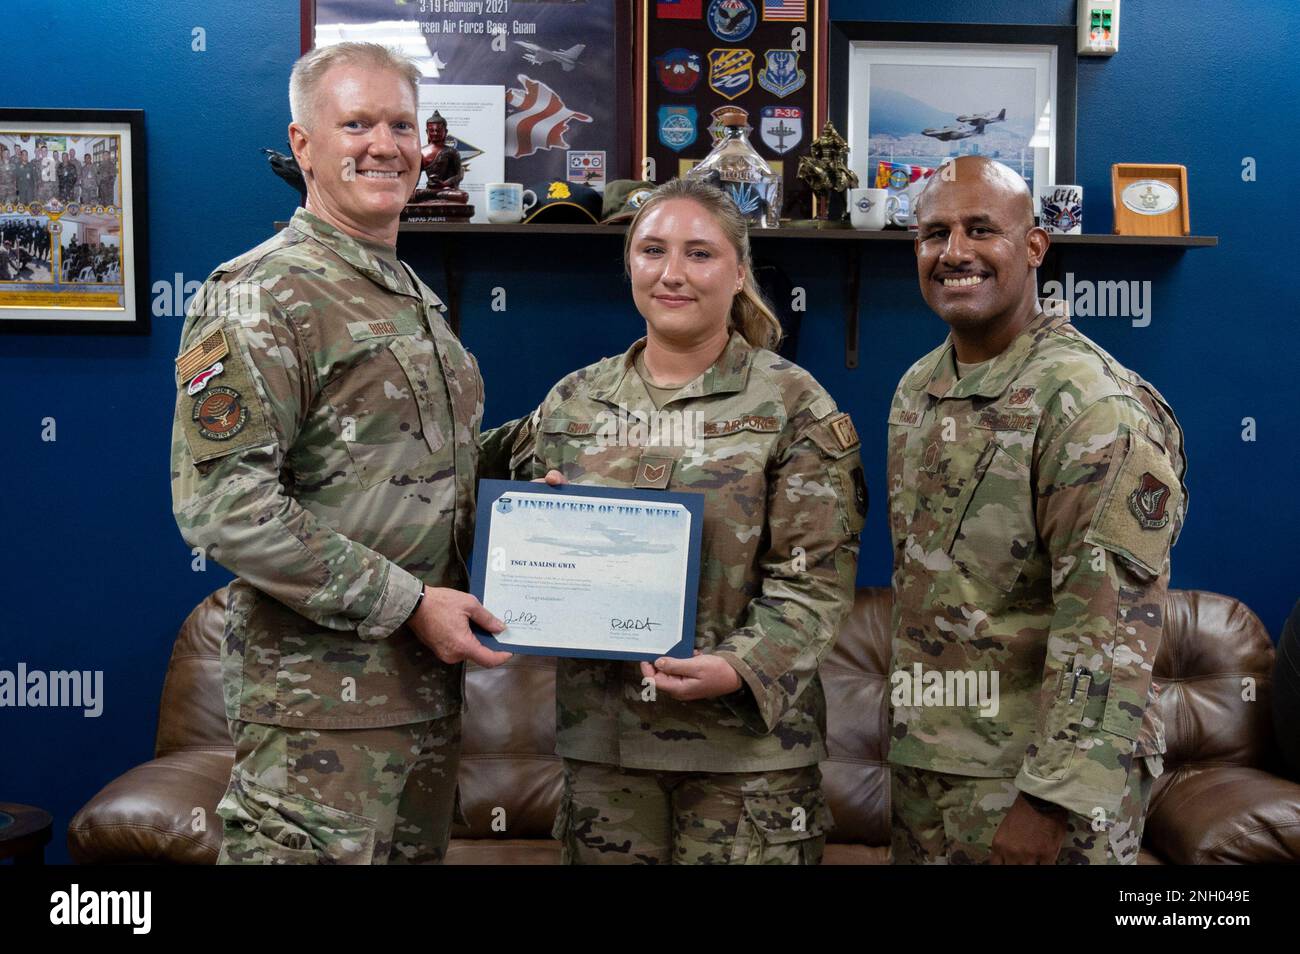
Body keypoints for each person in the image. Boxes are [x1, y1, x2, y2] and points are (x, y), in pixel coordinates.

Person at [170, 41, 510, 865]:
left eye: (400, 123)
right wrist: (409, 603)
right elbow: (226, 507)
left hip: (420, 701)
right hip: (318, 709)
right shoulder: (261, 293)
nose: (383, 144)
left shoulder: (406, 291)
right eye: (355, 123)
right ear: (303, 144)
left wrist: (543, 460)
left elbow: (417, 470)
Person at [504, 177, 864, 864]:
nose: (672, 273)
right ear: (630, 265)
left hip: (747, 761)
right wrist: (540, 522)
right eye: (652, 251)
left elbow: (817, 579)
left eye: (699, 254)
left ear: (738, 272)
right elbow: (517, 547)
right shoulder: (573, 402)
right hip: (604, 754)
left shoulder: (793, 403)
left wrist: (740, 666)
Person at [886, 156, 1188, 865]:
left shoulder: (1090, 405)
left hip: (1040, 791)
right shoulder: (919, 388)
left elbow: (1112, 629)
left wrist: (1048, 801)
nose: (954, 252)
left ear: (1033, 248)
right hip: (933, 767)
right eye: (935, 234)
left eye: (980, 230)